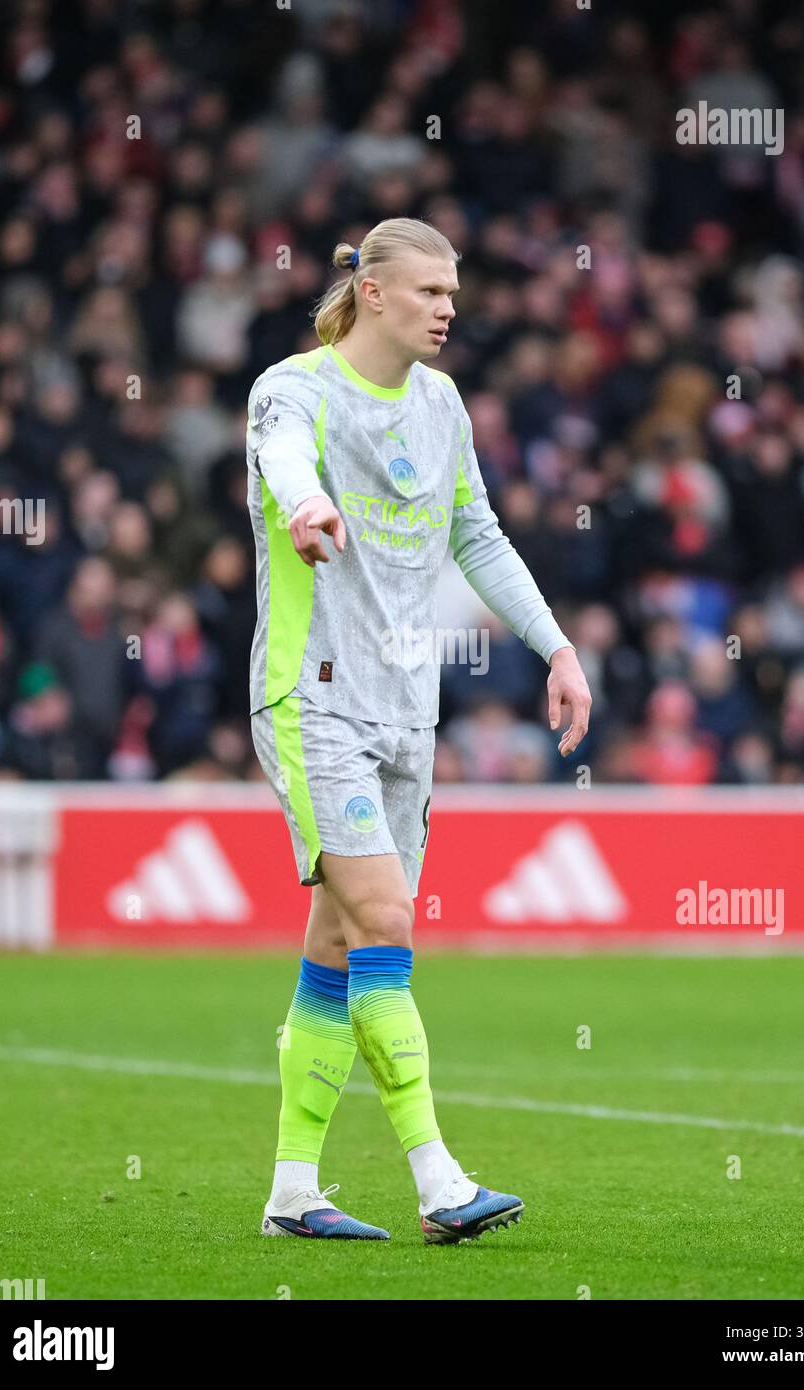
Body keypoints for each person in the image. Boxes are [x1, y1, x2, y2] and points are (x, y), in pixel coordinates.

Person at [246, 217, 592, 1243]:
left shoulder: (441, 405)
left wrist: (555, 646)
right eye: (432, 290)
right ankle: (438, 1181)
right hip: (312, 699)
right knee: (387, 923)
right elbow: (279, 452)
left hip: (407, 712)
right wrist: (305, 507)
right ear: (374, 293)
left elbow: (475, 534)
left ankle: (292, 1191)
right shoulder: (294, 387)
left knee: (338, 943)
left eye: (454, 291)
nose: (450, 307)